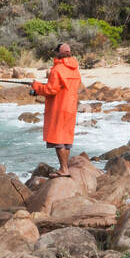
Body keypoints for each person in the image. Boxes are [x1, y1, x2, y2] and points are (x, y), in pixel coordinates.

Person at [31, 42, 82, 177]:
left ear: (59, 53)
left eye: (56, 52)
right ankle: (64, 168)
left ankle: (64, 169)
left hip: (59, 107)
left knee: (58, 138)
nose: (55, 54)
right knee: (66, 139)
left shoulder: (57, 69)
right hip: (71, 107)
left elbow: (50, 89)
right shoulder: (75, 69)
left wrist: (36, 86)